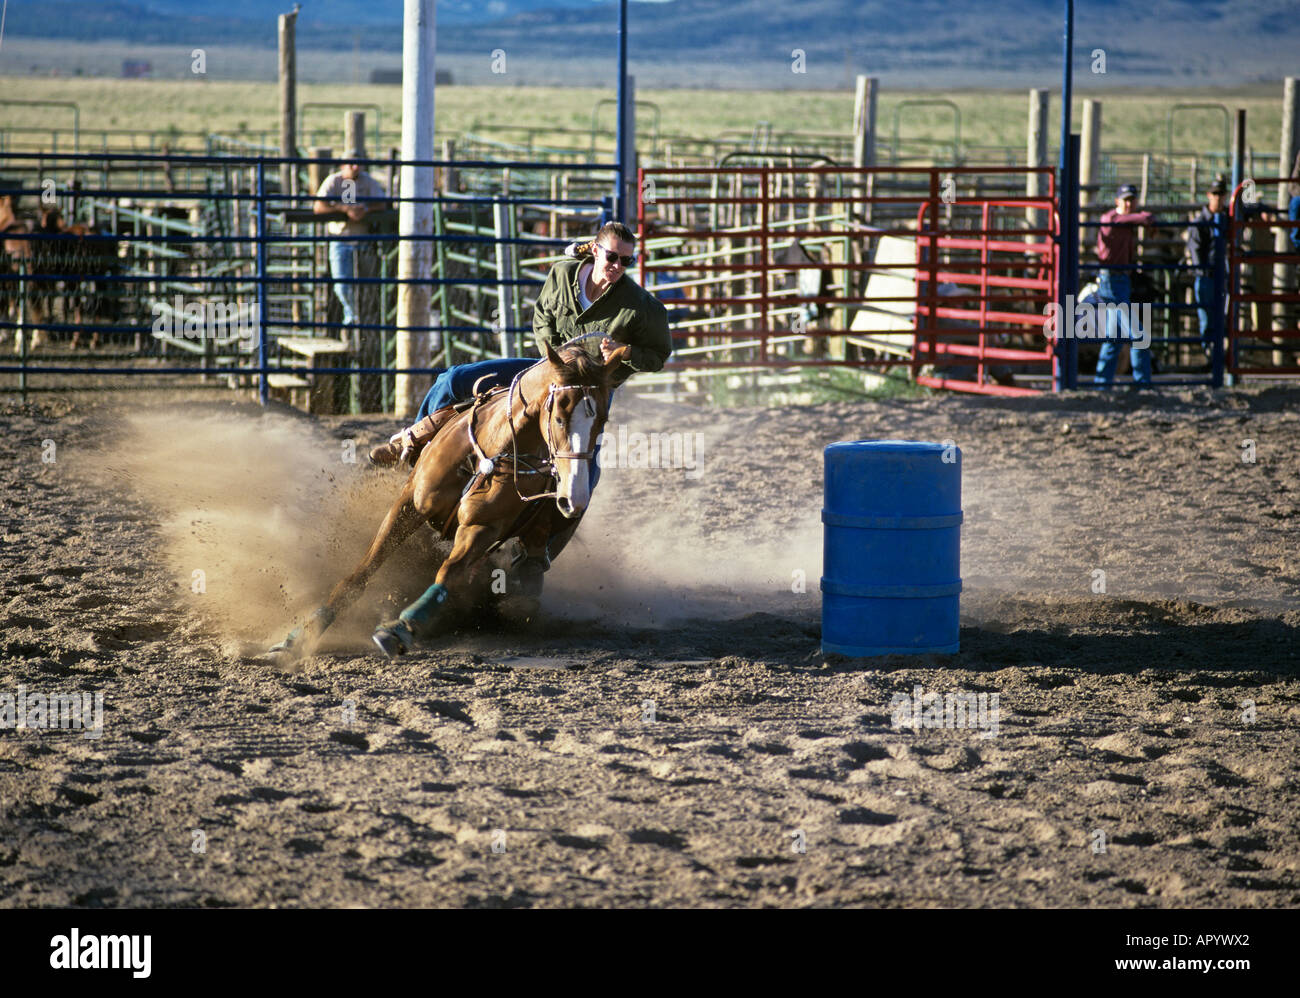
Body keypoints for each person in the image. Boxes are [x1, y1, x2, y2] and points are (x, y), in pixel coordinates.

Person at [369, 220, 672, 595]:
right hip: (545, 372)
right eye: (612, 257)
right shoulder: (563, 274)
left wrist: (626, 353)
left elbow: (659, 356)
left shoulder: (642, 308)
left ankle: (536, 553)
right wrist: (555, 356)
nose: (618, 267)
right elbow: (542, 317)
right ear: (595, 250)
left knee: (585, 472)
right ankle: (412, 442)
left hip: (589, 391)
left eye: (627, 261)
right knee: (454, 378)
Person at [314, 149, 388, 329]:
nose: (355, 167)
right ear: (342, 165)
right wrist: (344, 209)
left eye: (358, 163)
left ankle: (362, 321)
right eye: (350, 163)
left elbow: (382, 203)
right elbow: (319, 206)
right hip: (340, 239)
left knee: (366, 286)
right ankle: (353, 318)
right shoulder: (334, 181)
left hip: (362, 240)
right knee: (342, 285)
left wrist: (365, 209)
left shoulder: (367, 182)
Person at [1094, 183, 1157, 388]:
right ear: (1117, 201)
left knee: (1114, 338)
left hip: (1119, 281)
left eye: (1132, 200)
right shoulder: (1111, 219)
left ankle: (1102, 384)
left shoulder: (1124, 221)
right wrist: (1147, 219)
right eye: (1126, 200)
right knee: (1138, 335)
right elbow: (1140, 218)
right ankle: (1142, 383)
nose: (1129, 203)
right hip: (1112, 281)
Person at [1184, 176, 1228, 359]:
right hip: (1207, 276)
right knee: (1208, 318)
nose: (1218, 198)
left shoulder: (1224, 219)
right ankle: (1211, 356)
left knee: (1219, 317)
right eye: (1215, 194)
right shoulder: (1201, 222)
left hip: (1219, 275)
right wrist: (1202, 272)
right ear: (1209, 195)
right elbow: (1195, 251)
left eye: (1221, 194)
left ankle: (1215, 356)